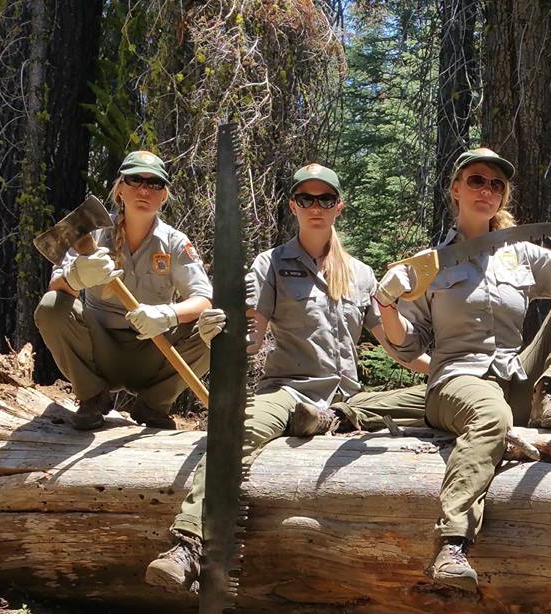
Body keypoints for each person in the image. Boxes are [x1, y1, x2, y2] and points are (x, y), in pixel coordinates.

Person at [146, 163, 429, 589]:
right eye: (306, 199)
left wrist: (443, 368)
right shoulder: (271, 264)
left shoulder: (362, 275)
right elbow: (251, 340)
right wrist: (218, 337)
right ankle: (188, 542)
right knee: (237, 429)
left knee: (436, 398)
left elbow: (397, 346)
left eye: (325, 199)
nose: (316, 207)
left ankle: (334, 421)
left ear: (339, 207)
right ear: (293, 205)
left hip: (348, 403)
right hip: (289, 393)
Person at [376, 147, 551, 590]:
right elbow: (406, 344)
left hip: (515, 379)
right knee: (490, 415)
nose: (487, 190)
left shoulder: (521, 255)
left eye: (496, 185)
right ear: (456, 189)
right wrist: (386, 303)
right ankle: (452, 544)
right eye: (477, 180)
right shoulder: (428, 266)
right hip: (456, 381)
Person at [35, 149, 224, 430]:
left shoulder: (174, 242)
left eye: (154, 184)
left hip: (154, 351)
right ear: (120, 188)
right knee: (51, 307)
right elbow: (57, 288)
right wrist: (76, 277)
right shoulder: (92, 234)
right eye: (135, 180)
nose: (144, 190)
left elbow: (203, 300)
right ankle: (92, 397)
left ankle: (153, 405)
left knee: (217, 328)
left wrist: (167, 314)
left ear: (163, 195)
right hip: (100, 352)